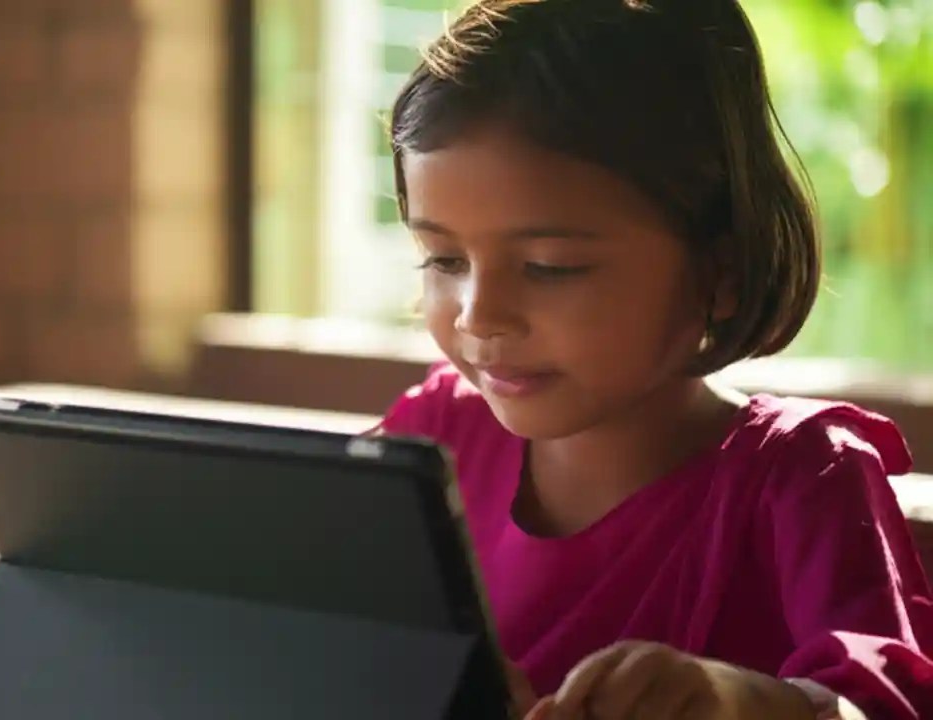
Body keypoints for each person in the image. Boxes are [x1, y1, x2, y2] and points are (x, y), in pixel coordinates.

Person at [377, 1, 933, 718]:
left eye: (549, 266)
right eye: (444, 259)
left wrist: (738, 702)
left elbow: (884, 704)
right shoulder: (433, 437)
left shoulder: (803, 477)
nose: (479, 316)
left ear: (721, 271)